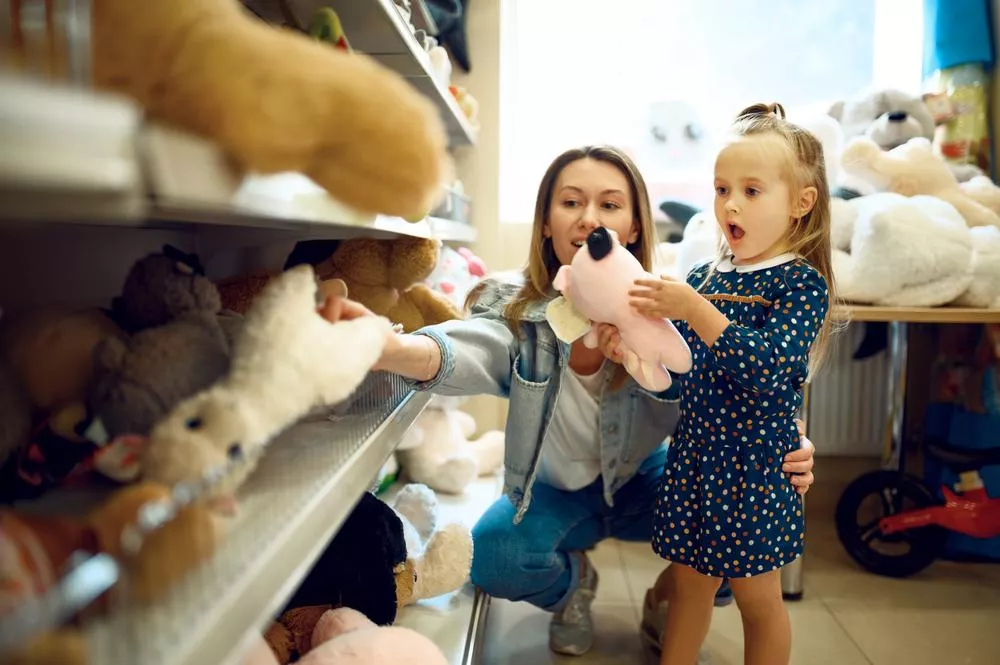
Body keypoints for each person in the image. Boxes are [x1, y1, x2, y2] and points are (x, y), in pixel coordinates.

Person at [320, 144, 818, 659]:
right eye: (571, 203)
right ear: (544, 224)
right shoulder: (514, 307)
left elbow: (731, 381)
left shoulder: (668, 304)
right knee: (494, 556)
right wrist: (397, 347)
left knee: (728, 548)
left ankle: (667, 598)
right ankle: (575, 584)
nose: (589, 220)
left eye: (609, 205)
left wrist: (792, 441)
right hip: (551, 489)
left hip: (642, 479)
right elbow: (475, 349)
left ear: (633, 229)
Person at [626, 103, 836, 665]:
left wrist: (695, 309)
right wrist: (639, 357)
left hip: (756, 467)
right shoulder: (703, 277)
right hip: (695, 458)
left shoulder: (800, 285)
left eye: (750, 190)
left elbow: (766, 370)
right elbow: (681, 380)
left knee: (756, 597)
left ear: (801, 203)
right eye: (721, 189)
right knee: (691, 585)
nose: (730, 204)